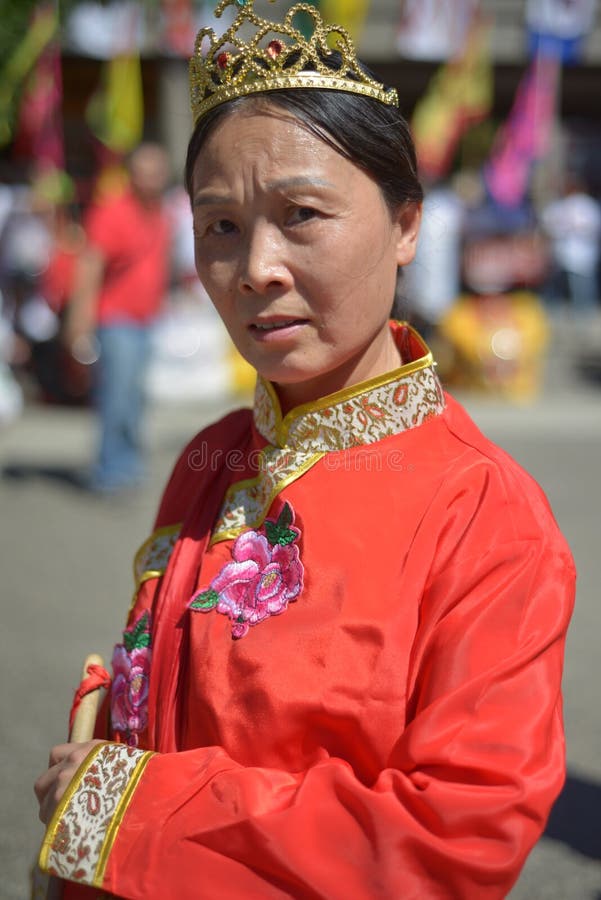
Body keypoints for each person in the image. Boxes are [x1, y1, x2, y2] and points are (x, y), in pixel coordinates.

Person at [34, 2, 575, 897]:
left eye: (302, 214)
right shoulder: (211, 454)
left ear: (406, 225)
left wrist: (136, 808)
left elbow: (460, 835)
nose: (256, 267)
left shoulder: (484, 514)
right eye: (220, 227)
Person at [65, 142, 171, 492]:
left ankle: (128, 463)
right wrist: (79, 322)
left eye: (158, 170)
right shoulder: (113, 211)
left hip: (146, 320)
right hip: (116, 320)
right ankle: (110, 469)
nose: (153, 178)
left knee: (136, 397)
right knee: (117, 396)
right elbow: (90, 266)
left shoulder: (160, 213)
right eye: (146, 170)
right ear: (132, 173)